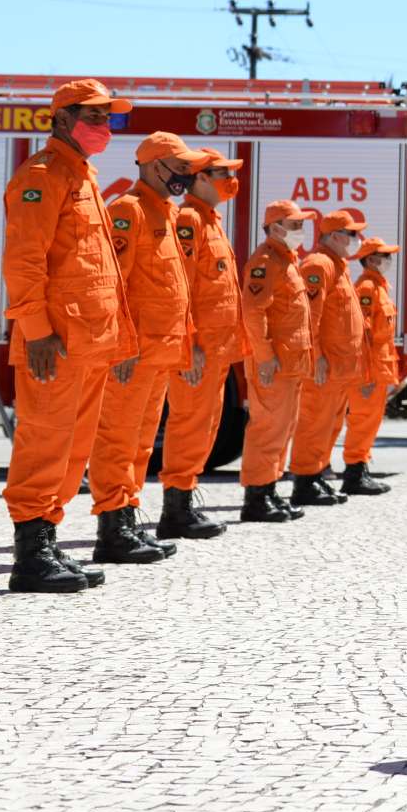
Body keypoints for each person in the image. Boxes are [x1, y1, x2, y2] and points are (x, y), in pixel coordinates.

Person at [0, 79, 139, 595]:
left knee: (72, 449)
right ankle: (30, 554)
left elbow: (99, 273)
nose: (104, 127)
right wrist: (35, 330)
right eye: (94, 116)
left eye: (109, 118)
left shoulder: (83, 177)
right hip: (54, 341)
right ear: (60, 118)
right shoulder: (42, 175)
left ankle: (48, 543)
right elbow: (24, 259)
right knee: (44, 444)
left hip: (89, 342)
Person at [87, 132, 207, 565]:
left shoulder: (166, 214)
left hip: (160, 352)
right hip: (134, 353)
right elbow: (115, 284)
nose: (186, 176)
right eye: (180, 168)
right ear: (155, 166)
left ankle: (128, 519)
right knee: (117, 440)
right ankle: (112, 528)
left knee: (139, 443)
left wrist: (187, 342)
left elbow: (177, 290)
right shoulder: (127, 211)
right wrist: (122, 344)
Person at [157, 148, 246, 540]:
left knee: (205, 427)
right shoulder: (189, 220)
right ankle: (175, 510)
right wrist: (189, 343)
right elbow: (182, 288)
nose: (231, 179)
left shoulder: (212, 221)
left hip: (218, 350)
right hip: (200, 349)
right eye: (223, 172)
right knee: (188, 425)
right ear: (202, 177)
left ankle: (185, 502)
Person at [239, 200, 314, 523]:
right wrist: (265, 357)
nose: (302, 231)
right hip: (274, 363)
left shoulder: (287, 261)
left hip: (289, 363)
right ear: (276, 227)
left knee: (282, 428)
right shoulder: (266, 261)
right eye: (296, 225)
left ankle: (269, 489)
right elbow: (254, 312)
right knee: (267, 428)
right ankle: (256, 497)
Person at [288, 210, 366, 506]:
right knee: (314, 422)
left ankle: (316, 474)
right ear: (334, 236)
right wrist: (316, 355)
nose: (358, 240)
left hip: (340, 368)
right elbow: (310, 316)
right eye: (352, 234)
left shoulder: (338, 266)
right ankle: (304, 483)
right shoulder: (319, 265)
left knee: (329, 424)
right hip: (326, 365)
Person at [342, 236, 403, 497]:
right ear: (372, 260)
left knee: (370, 422)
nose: (389, 260)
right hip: (369, 371)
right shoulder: (367, 288)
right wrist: (365, 375)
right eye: (385, 256)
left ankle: (360, 468)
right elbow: (362, 335)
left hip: (378, 369)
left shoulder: (378, 287)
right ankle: (354, 474)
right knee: (362, 421)